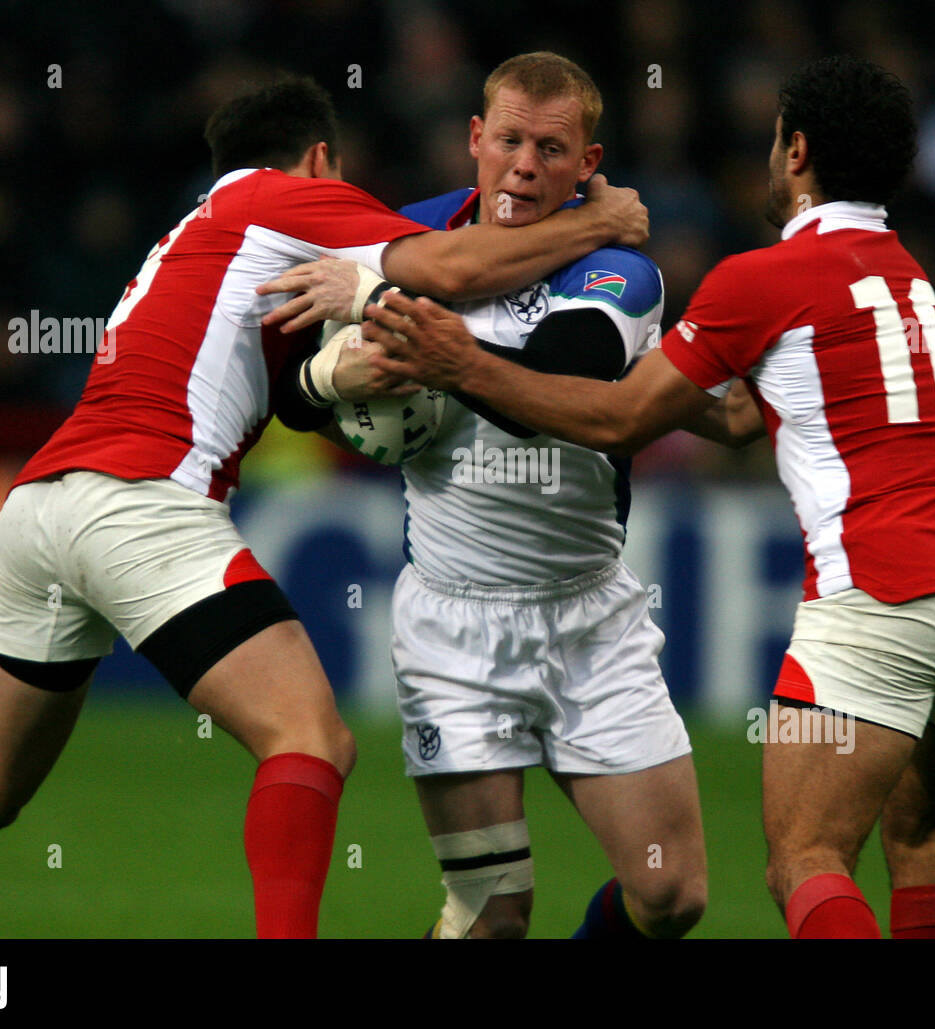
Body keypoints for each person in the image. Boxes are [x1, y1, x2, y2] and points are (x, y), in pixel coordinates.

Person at [0, 73, 648, 939]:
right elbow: (451, 264)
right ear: (319, 162)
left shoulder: (198, 232)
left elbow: (315, 391)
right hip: (143, 500)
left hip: (41, 505)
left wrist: (337, 376)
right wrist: (601, 222)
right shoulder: (284, 202)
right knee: (309, 737)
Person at [364, 55, 935, 940]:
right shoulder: (909, 282)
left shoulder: (760, 279)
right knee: (921, 837)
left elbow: (615, 421)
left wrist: (459, 363)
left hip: (885, 590)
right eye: (510, 141)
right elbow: (738, 413)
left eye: (771, 141)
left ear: (795, 150)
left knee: (806, 859)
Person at [278, 52, 709, 940]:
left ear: (587, 165)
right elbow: (290, 393)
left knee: (672, 896)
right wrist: (332, 380)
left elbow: (563, 382)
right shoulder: (408, 238)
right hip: (454, 629)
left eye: (552, 149)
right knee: (491, 916)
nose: (525, 164)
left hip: (591, 621)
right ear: (475, 140)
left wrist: (425, 341)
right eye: (508, 140)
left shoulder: (619, 268)